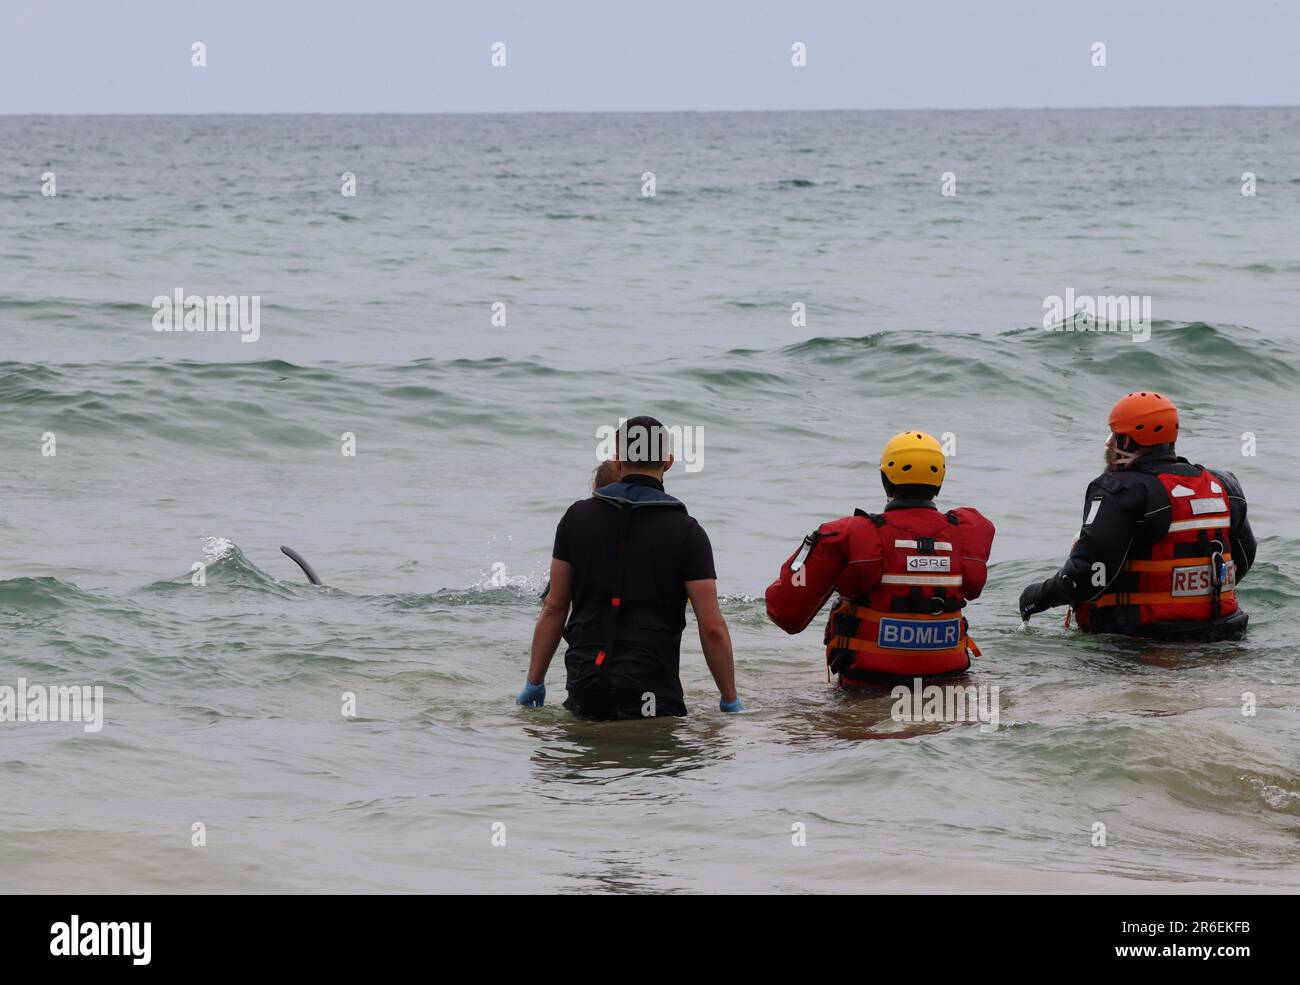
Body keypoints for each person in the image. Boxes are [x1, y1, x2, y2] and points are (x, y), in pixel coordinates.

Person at [516, 416, 742, 718]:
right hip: (652, 692)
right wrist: (730, 700)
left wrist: (534, 682)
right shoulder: (688, 532)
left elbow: (555, 608)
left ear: (618, 460)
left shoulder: (575, 518)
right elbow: (712, 627)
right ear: (669, 462)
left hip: (586, 684)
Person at [1018, 391, 1256, 640]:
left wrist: (1034, 598)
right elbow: (1244, 556)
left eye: (1116, 435)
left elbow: (1088, 575)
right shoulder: (1224, 486)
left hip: (1142, 641)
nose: (1110, 443)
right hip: (1225, 633)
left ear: (1130, 442)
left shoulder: (1119, 490)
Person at [765, 431, 995, 687]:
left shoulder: (849, 534)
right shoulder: (965, 533)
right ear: (939, 481)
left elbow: (785, 613)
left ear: (885, 479)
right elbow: (972, 587)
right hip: (950, 682)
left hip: (868, 686)